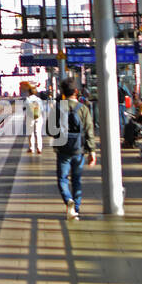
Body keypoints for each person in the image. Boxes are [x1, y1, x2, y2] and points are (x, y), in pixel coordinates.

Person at [51, 78, 97, 221]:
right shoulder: (83, 108)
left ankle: (68, 200)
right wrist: (92, 151)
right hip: (79, 149)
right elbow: (90, 130)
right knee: (76, 179)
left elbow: (50, 129)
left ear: (62, 92)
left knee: (62, 179)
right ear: (76, 92)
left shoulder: (58, 108)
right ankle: (76, 208)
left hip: (62, 150)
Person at [24, 85, 45, 154]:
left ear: (29, 92)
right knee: (38, 133)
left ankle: (31, 148)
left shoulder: (27, 99)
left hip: (30, 117)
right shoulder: (38, 99)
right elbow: (42, 109)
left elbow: (25, 108)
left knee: (31, 133)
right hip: (38, 117)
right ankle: (39, 149)